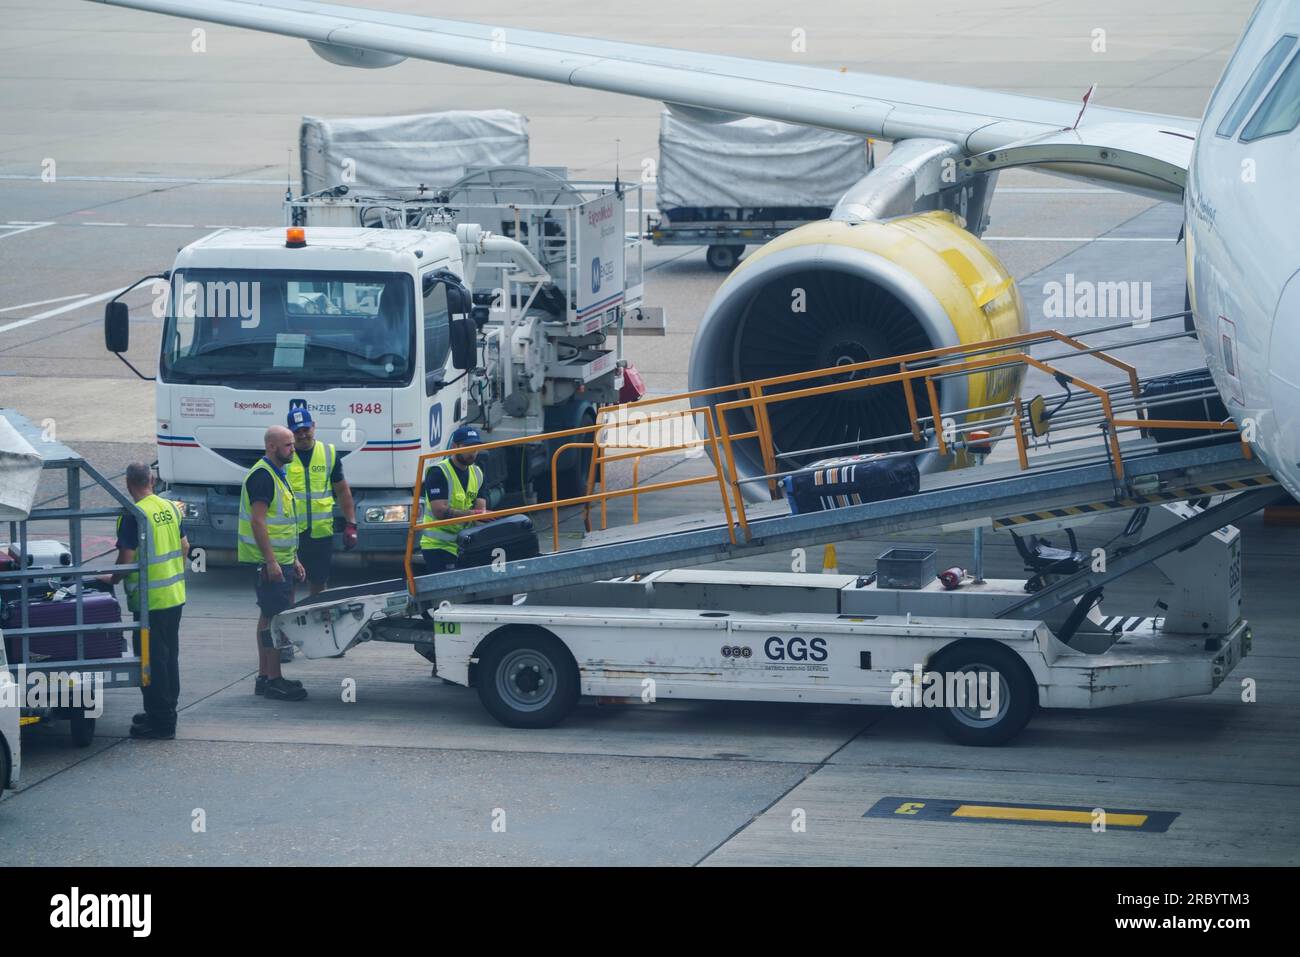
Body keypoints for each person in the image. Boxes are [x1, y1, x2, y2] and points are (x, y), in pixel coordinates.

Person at [103, 463, 188, 740]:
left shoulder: (134, 515)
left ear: (128, 483)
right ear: (151, 479)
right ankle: (165, 711)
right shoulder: (170, 508)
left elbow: (126, 560)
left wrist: (111, 580)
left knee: (151, 661)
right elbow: (185, 547)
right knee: (169, 657)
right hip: (174, 596)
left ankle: (161, 722)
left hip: (150, 602)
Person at [237, 425, 308, 701]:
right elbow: (258, 520)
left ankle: (265, 677)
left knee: (268, 616)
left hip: (281, 559)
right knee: (276, 620)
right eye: (288, 445)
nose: (294, 448)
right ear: (271, 447)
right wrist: (271, 561)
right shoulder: (264, 477)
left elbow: (284, 524)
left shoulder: (278, 474)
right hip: (269, 562)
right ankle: (274, 679)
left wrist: (294, 558)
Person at [283, 408, 357, 662]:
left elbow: (342, 491)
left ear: (314, 426)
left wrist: (351, 524)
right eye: (297, 431)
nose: (303, 435)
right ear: (290, 432)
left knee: (320, 587)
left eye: (306, 429)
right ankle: (285, 640)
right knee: (288, 587)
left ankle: (325, 640)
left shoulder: (328, 453)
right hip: (291, 534)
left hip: (320, 534)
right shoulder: (283, 455)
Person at [419, 426, 487, 574]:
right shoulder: (438, 472)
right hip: (438, 545)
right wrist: (473, 514)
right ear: (454, 447)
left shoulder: (477, 471)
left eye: (476, 447)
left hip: (463, 543)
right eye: (468, 447)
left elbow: (480, 510)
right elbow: (440, 512)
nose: (473, 452)